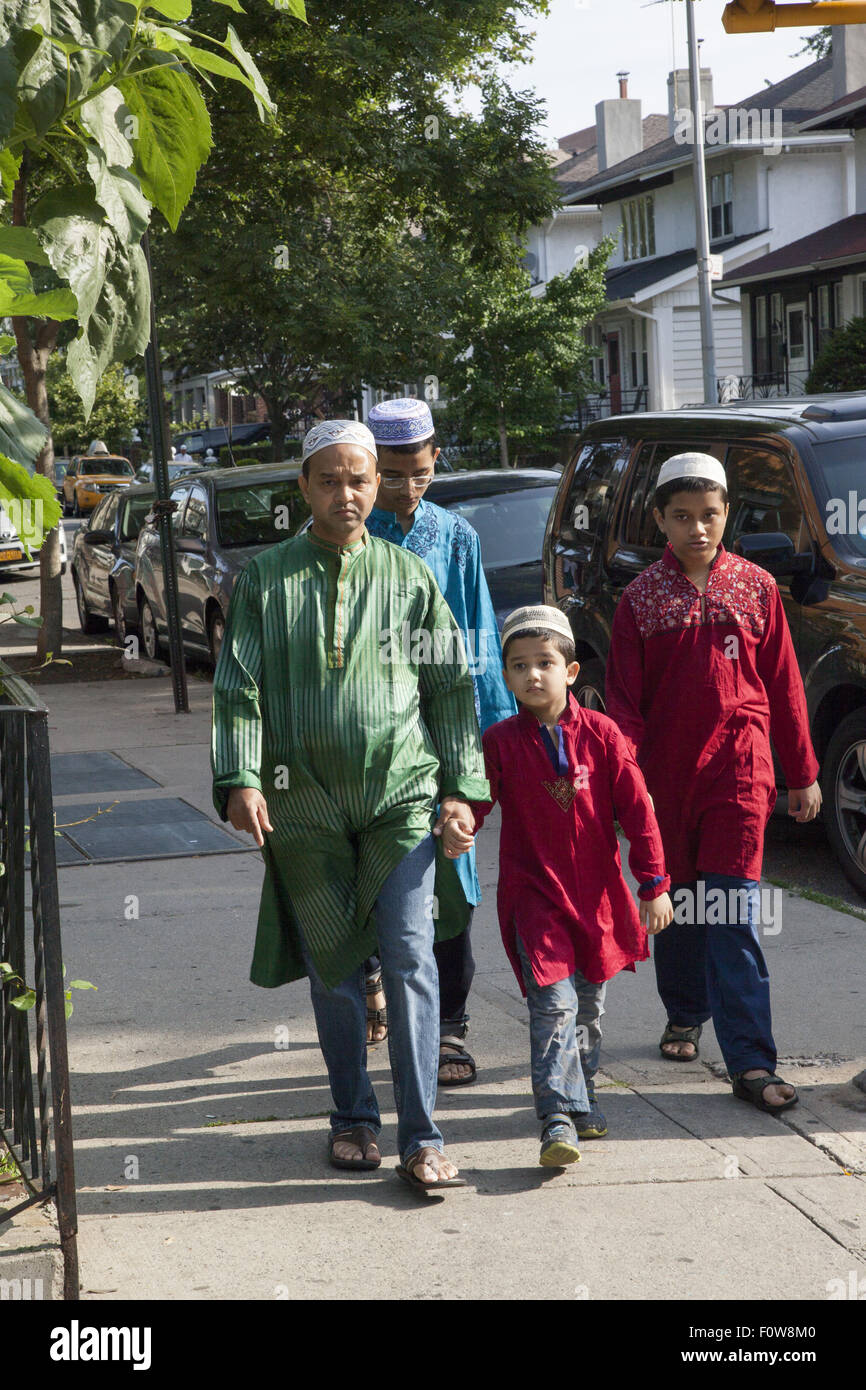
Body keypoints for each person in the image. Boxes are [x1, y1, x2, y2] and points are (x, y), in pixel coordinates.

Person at [211, 419, 489, 1189]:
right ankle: (353, 1117)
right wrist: (240, 776)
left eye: (359, 479)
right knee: (333, 969)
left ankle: (424, 1135)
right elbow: (238, 687)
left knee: (408, 954)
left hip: (401, 794)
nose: (347, 494)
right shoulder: (266, 580)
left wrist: (463, 789)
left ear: (376, 484)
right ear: (302, 487)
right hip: (302, 808)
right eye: (329, 480)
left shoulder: (409, 577)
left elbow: (450, 689)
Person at [605, 452, 822, 1113]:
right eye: (681, 517)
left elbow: (783, 686)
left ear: (728, 513)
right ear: (659, 520)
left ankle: (752, 1062)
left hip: (740, 776)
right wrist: (627, 786)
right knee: (676, 907)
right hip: (666, 782)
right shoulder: (640, 600)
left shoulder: (757, 589)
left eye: (709, 515)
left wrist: (803, 773)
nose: (697, 528)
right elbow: (623, 704)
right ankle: (685, 1009)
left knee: (732, 916)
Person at [452, 605, 672, 1165]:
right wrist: (458, 824)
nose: (532, 675)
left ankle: (583, 1093)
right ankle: (555, 1116)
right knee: (552, 1004)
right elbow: (478, 799)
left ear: (570, 671)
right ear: (504, 676)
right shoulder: (500, 741)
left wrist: (654, 883)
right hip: (535, 897)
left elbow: (639, 810)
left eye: (544, 663)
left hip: (596, 901)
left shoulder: (603, 735)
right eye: (518, 665)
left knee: (588, 1009)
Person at [363, 397, 516, 1085]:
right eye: (391, 475)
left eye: (419, 474)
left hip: (442, 731)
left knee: (452, 876)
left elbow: (480, 641)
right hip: (363, 738)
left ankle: (450, 1027)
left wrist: (493, 738)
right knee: (366, 872)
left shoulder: (455, 537)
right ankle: (370, 981)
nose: (405, 489)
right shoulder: (346, 533)